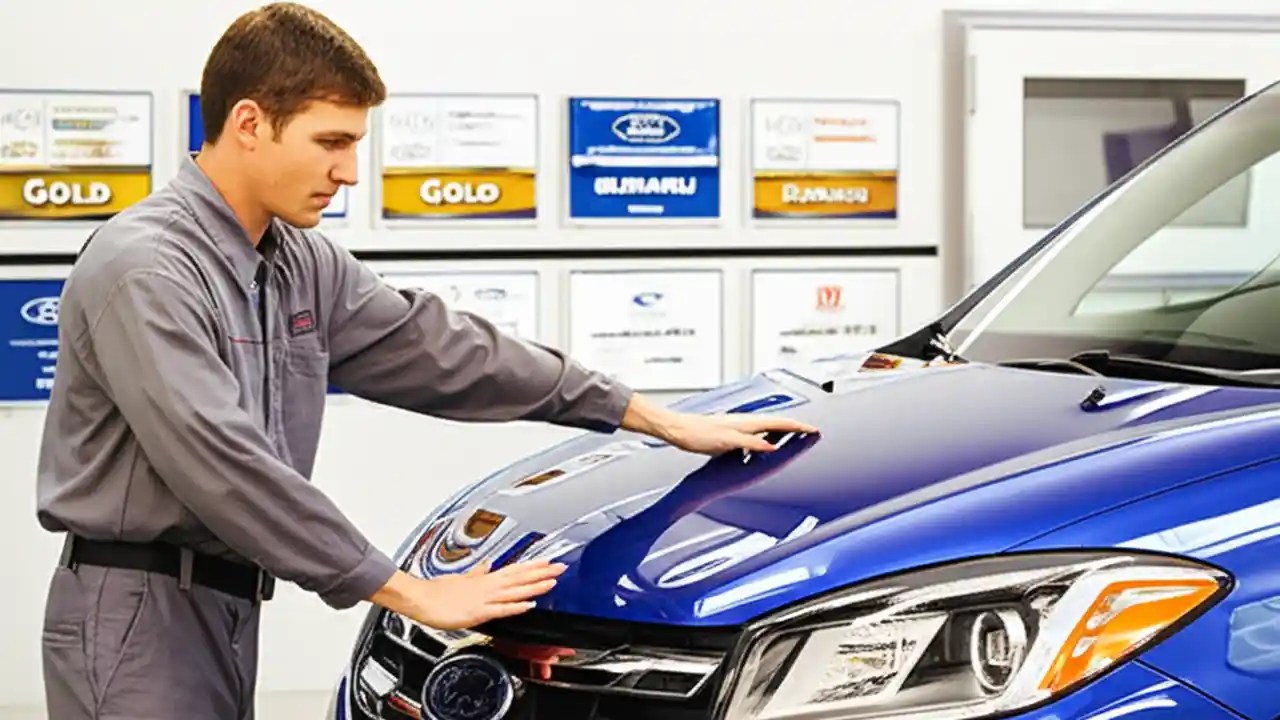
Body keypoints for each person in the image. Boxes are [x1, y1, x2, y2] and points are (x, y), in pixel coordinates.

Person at [33, 3, 818, 718]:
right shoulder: (147, 268)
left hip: (227, 603)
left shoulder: (298, 261)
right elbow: (223, 463)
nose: (347, 171)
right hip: (133, 611)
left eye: (355, 145)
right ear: (249, 123)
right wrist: (407, 591)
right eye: (330, 142)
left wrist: (649, 417)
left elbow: (445, 350)